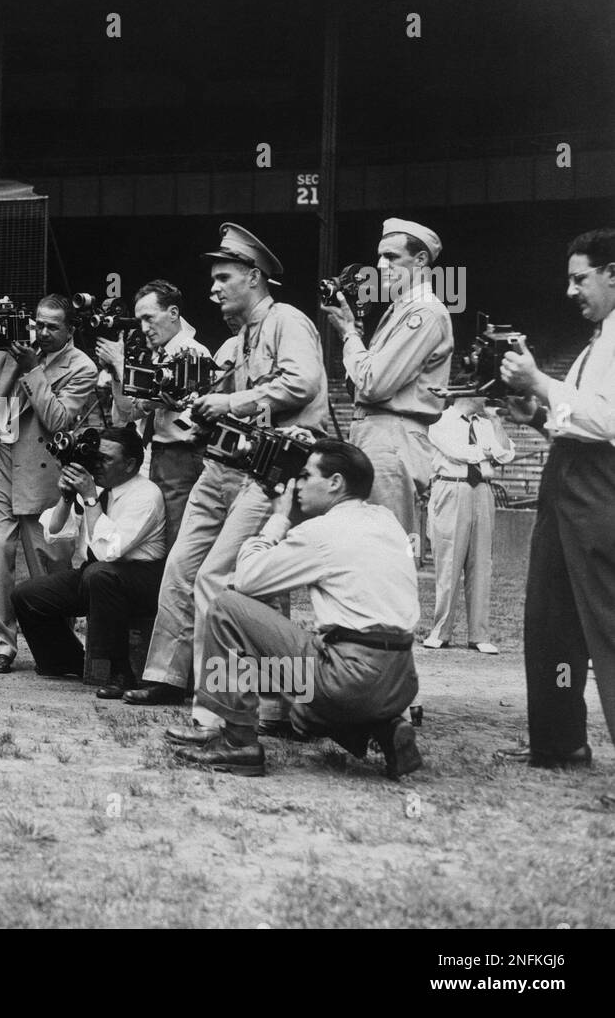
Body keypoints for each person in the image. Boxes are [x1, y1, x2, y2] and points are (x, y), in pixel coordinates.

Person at [125, 223, 329, 730]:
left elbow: (302, 382)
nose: (212, 289)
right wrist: (190, 399)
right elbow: (209, 398)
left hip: (269, 475)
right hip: (223, 469)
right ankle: (171, 676)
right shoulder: (237, 343)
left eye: (223, 277)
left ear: (254, 277)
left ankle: (227, 712)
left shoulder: (287, 320)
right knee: (181, 570)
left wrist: (231, 400)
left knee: (224, 580)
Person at [172, 439, 423, 779]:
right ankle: (384, 730)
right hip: (402, 682)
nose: (297, 485)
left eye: (305, 476)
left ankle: (237, 742)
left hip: (348, 679)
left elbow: (247, 579)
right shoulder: (386, 520)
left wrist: (277, 519)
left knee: (224, 606)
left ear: (335, 482)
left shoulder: (321, 531)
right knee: (306, 704)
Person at [496, 227, 615, 770]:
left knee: (604, 620)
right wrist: (540, 416)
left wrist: (541, 382)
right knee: (552, 622)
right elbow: (581, 423)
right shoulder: (599, 339)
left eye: (580, 278)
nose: (571, 291)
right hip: (568, 481)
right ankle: (558, 739)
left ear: (613, 272)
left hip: (599, 490)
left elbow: (608, 421)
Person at [0, 294, 99, 674]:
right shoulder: (12, 345)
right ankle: (0, 645)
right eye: (39, 322)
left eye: (53, 326)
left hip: (41, 470)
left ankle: (57, 649)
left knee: (48, 562)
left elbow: (60, 421)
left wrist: (33, 370)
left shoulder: (82, 368)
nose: (43, 332)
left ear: (70, 330)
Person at [322, 217, 454, 545]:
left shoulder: (425, 313)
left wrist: (350, 335)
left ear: (421, 260)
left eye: (392, 257)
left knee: (388, 551)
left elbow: (375, 384)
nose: (381, 264)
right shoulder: (398, 310)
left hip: (392, 438)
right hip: (378, 434)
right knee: (366, 550)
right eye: (380, 256)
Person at [12, 424, 166, 695]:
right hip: (97, 573)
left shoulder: (146, 495)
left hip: (140, 579)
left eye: (106, 459)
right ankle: (64, 660)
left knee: (101, 575)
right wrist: (67, 498)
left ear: (130, 464)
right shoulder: (97, 488)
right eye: (95, 456)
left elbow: (110, 552)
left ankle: (120, 673)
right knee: (26, 595)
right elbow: (54, 532)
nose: (97, 464)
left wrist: (91, 499)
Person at [97, 280, 211, 549]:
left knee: (176, 540)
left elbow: (168, 402)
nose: (144, 328)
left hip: (181, 457)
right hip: (154, 455)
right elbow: (125, 414)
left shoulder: (192, 354)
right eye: (139, 320)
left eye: (149, 318)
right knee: (151, 542)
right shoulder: (155, 356)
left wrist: (120, 365)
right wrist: (117, 373)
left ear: (173, 313)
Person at [423, 394, 515, 653]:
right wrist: (488, 452)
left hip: (482, 490)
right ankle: (440, 631)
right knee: (449, 562)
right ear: (468, 395)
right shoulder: (440, 419)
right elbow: (457, 452)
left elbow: (506, 453)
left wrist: (497, 424)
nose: (487, 400)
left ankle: (479, 635)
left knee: (481, 563)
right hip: (451, 488)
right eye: (483, 395)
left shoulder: (485, 423)